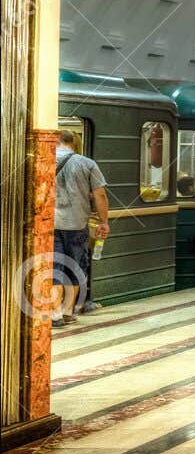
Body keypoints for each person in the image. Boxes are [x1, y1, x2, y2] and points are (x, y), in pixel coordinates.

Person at [52, 128, 109, 325]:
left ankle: (54, 313)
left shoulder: (43, 160)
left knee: (54, 266)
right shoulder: (87, 163)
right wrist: (104, 221)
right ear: (73, 143)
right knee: (75, 267)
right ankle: (67, 311)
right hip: (77, 225)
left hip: (49, 225)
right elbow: (100, 195)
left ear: (55, 141)